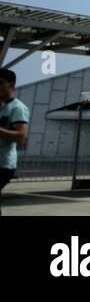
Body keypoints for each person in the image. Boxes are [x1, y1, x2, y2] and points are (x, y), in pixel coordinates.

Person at [0, 69, 29, 216]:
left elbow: (21, 136)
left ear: (11, 85)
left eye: (0, 83)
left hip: (3, 164)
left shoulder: (17, 108)